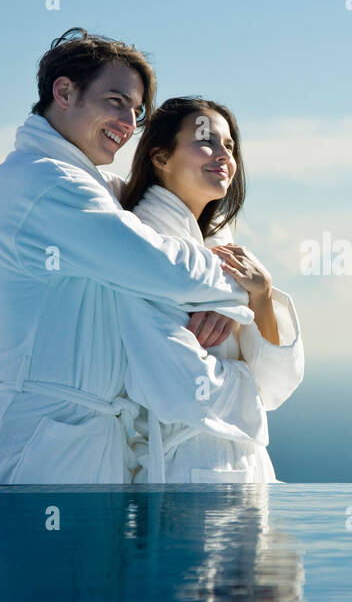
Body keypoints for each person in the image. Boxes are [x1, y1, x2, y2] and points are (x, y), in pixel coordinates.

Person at [0, 30, 271, 485]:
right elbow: (156, 263)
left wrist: (225, 298)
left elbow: (161, 223)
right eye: (115, 101)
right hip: (37, 449)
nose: (129, 122)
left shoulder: (89, 187)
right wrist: (239, 291)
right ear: (64, 92)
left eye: (137, 110)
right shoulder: (45, 183)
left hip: (86, 447)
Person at [115, 97, 304, 483]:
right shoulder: (141, 247)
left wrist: (260, 297)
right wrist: (241, 350)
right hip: (184, 476)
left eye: (230, 146)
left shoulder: (231, 261)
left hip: (246, 470)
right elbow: (177, 386)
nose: (224, 156)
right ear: (160, 157)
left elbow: (277, 384)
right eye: (206, 141)